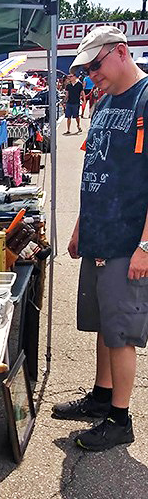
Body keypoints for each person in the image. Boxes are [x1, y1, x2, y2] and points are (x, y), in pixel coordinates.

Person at [59, 26, 148, 450]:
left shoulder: (145, 98)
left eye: (96, 65)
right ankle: (101, 396)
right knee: (102, 324)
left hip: (128, 239)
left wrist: (145, 245)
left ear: (121, 52)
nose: (91, 74)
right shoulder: (106, 101)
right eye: (86, 68)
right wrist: (80, 226)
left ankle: (120, 418)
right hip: (98, 232)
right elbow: (95, 168)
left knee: (122, 332)